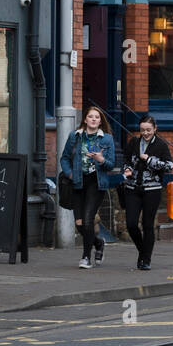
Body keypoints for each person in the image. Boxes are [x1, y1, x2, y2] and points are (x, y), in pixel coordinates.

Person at [60, 106, 118, 268]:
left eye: (97, 117)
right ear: (85, 119)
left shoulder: (106, 139)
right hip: (77, 182)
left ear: (100, 121)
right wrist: (69, 173)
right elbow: (64, 158)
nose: (93, 119)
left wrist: (101, 159)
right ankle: (98, 243)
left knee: (87, 220)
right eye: (90, 117)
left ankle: (86, 257)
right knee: (79, 224)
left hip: (96, 183)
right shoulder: (75, 137)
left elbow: (111, 164)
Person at [122, 115, 173, 271]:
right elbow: (126, 160)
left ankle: (146, 259)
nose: (145, 133)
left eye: (148, 130)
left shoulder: (160, 145)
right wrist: (127, 169)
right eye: (142, 130)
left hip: (152, 190)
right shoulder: (133, 142)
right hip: (132, 188)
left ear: (155, 129)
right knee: (131, 224)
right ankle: (143, 252)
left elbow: (169, 166)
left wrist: (150, 160)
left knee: (147, 224)